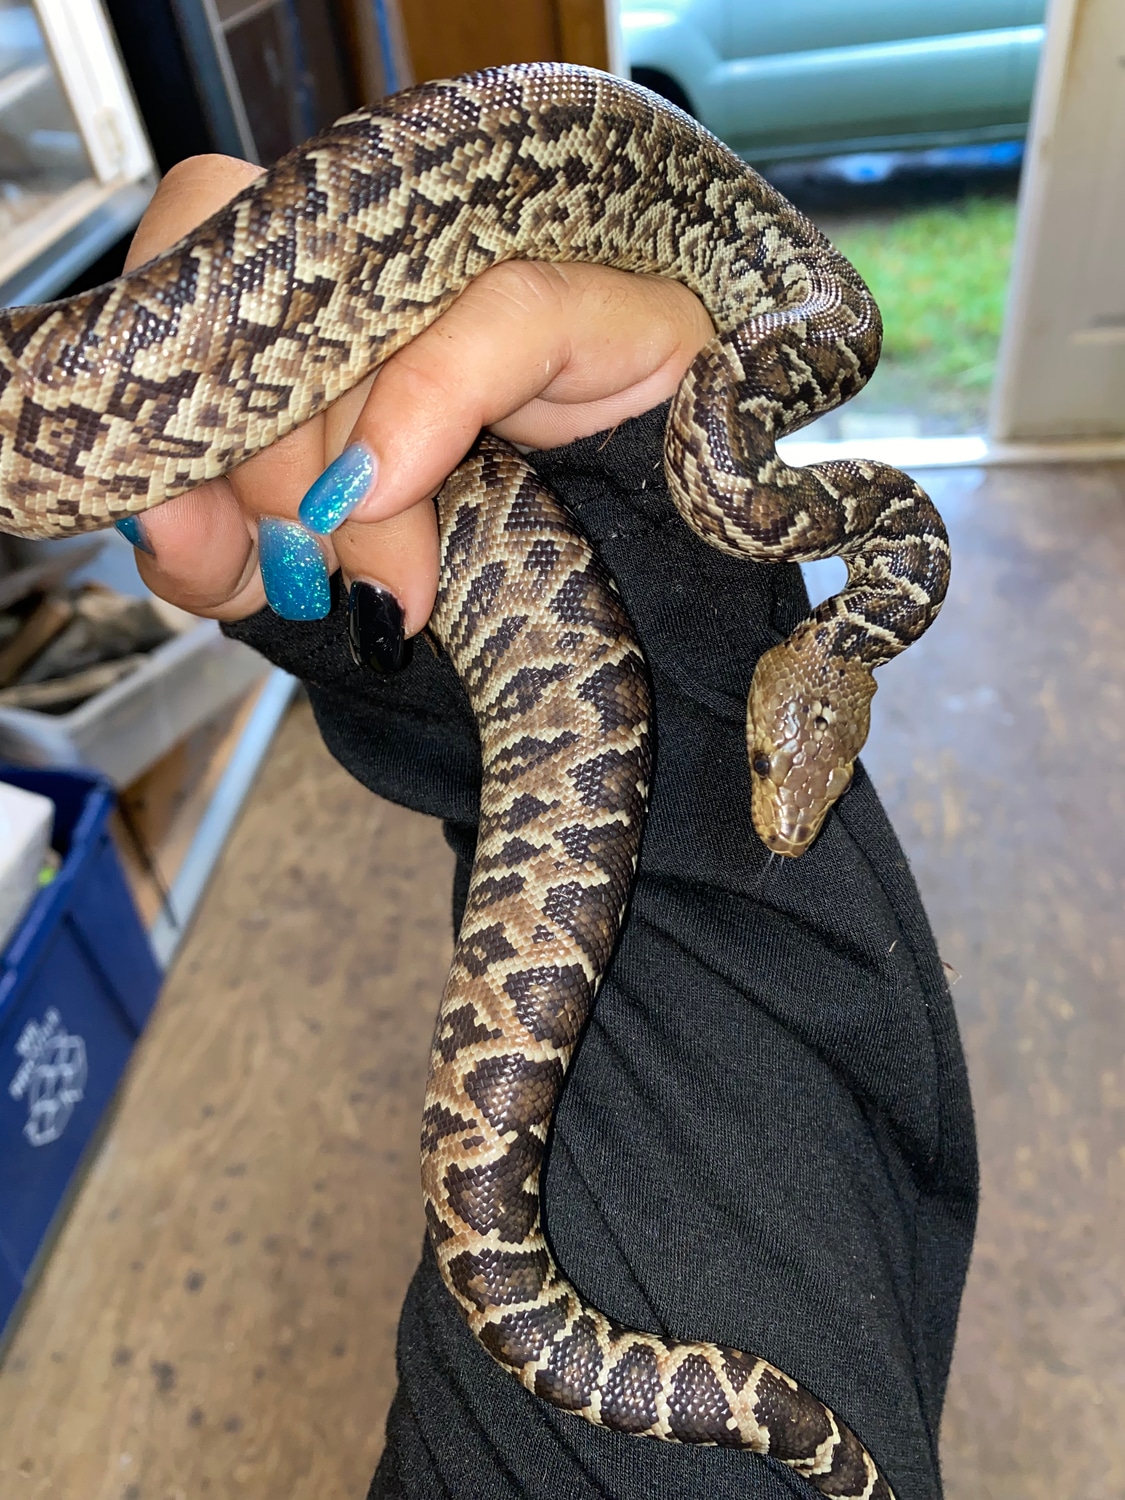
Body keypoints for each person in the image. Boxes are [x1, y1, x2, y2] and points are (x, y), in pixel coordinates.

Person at [117, 157, 978, 1500]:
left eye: (766, 771)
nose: (777, 807)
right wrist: (653, 613)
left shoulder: (836, 611)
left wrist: (527, 675)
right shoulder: (796, 511)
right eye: (765, 763)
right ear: (801, 695)